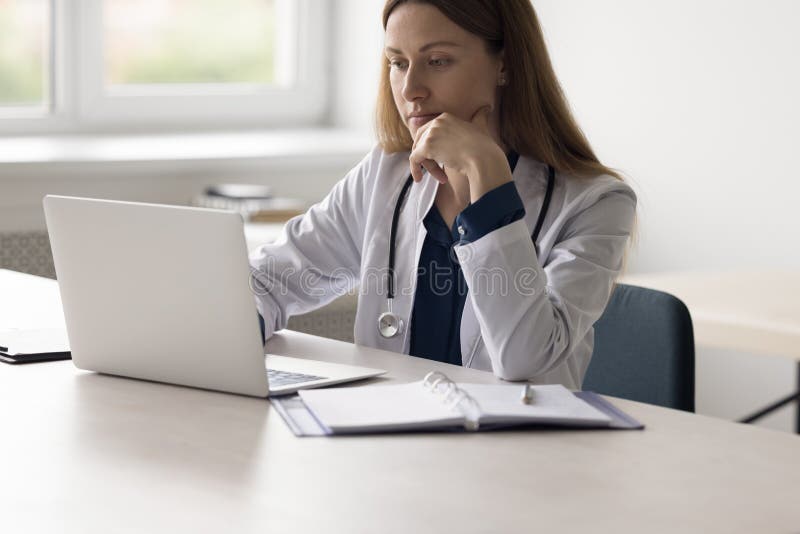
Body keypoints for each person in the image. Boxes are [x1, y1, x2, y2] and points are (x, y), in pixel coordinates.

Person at [250, 0, 637, 389]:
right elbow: (265, 281)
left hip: (517, 447)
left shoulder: (596, 204)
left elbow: (525, 360)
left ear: (505, 64)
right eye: (398, 63)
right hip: (392, 440)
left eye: (437, 61)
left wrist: (489, 180)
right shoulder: (385, 173)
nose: (410, 89)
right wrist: (235, 329)